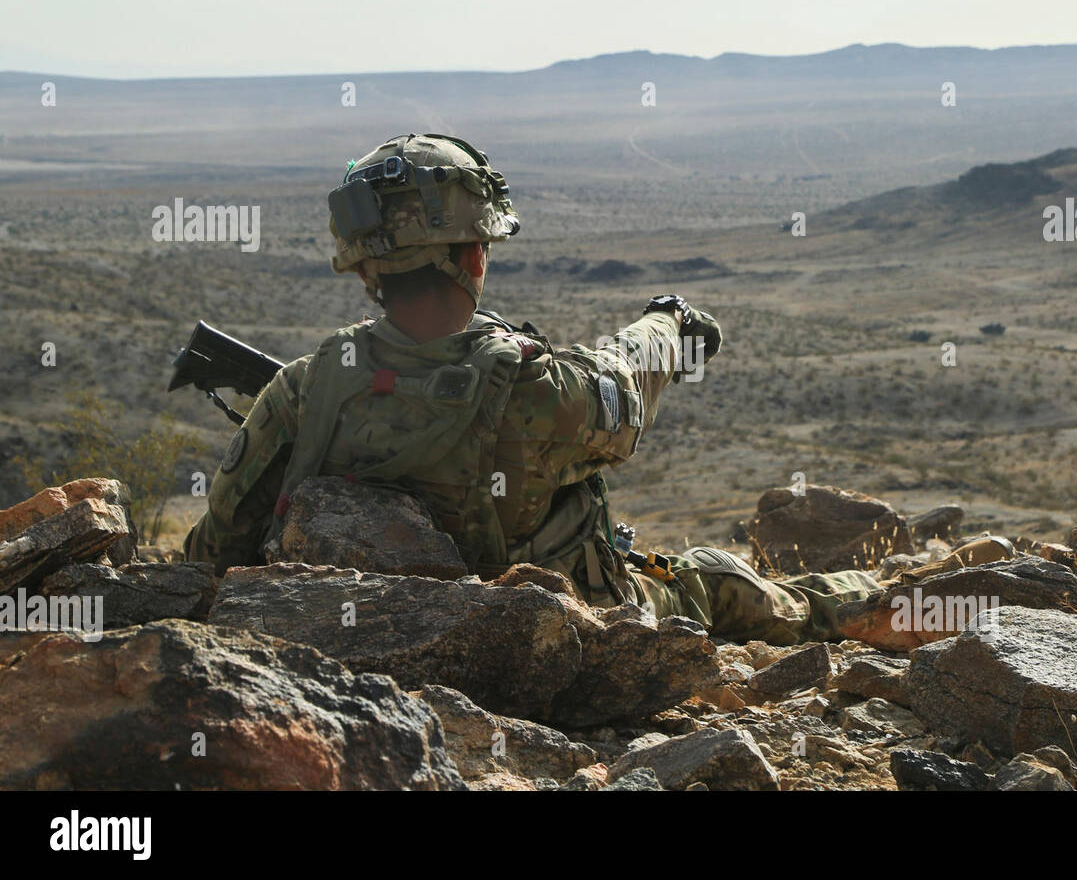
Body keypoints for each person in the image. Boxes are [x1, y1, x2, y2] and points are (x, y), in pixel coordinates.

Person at [185, 133, 878, 644]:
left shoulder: (302, 388)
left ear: (364, 267)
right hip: (545, 637)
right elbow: (625, 383)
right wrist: (670, 322)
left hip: (353, 645)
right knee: (709, 579)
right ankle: (875, 604)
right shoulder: (534, 388)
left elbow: (216, 551)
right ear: (475, 255)